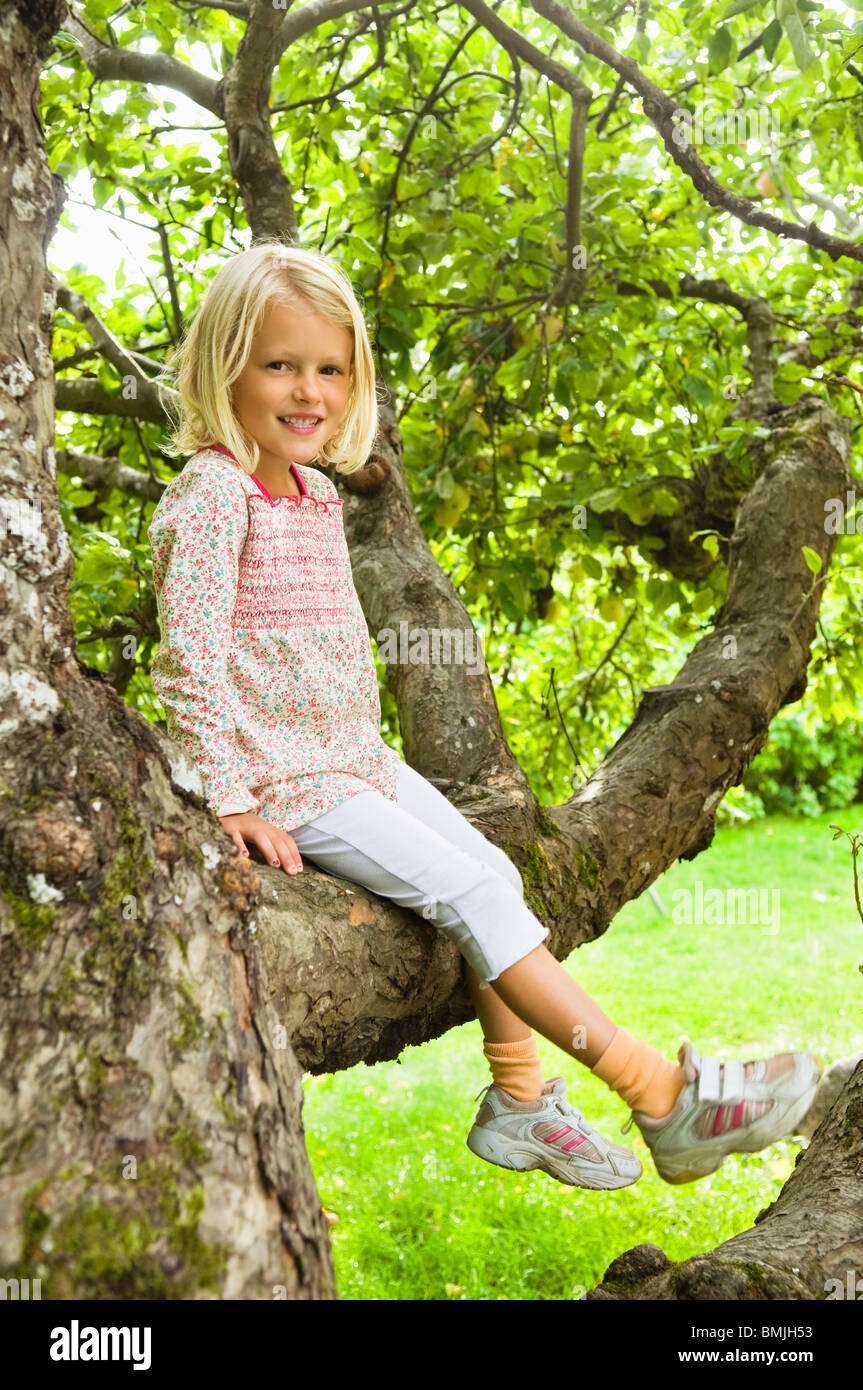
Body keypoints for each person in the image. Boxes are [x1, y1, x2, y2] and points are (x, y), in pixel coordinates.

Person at [148, 238, 822, 1192]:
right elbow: (189, 661)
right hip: (286, 779)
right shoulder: (213, 497)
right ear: (226, 366)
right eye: (279, 365)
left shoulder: (314, 492)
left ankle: (517, 1100)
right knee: (468, 896)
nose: (308, 392)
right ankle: (660, 1096)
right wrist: (227, 799)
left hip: (355, 759)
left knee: (496, 870)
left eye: (330, 369)